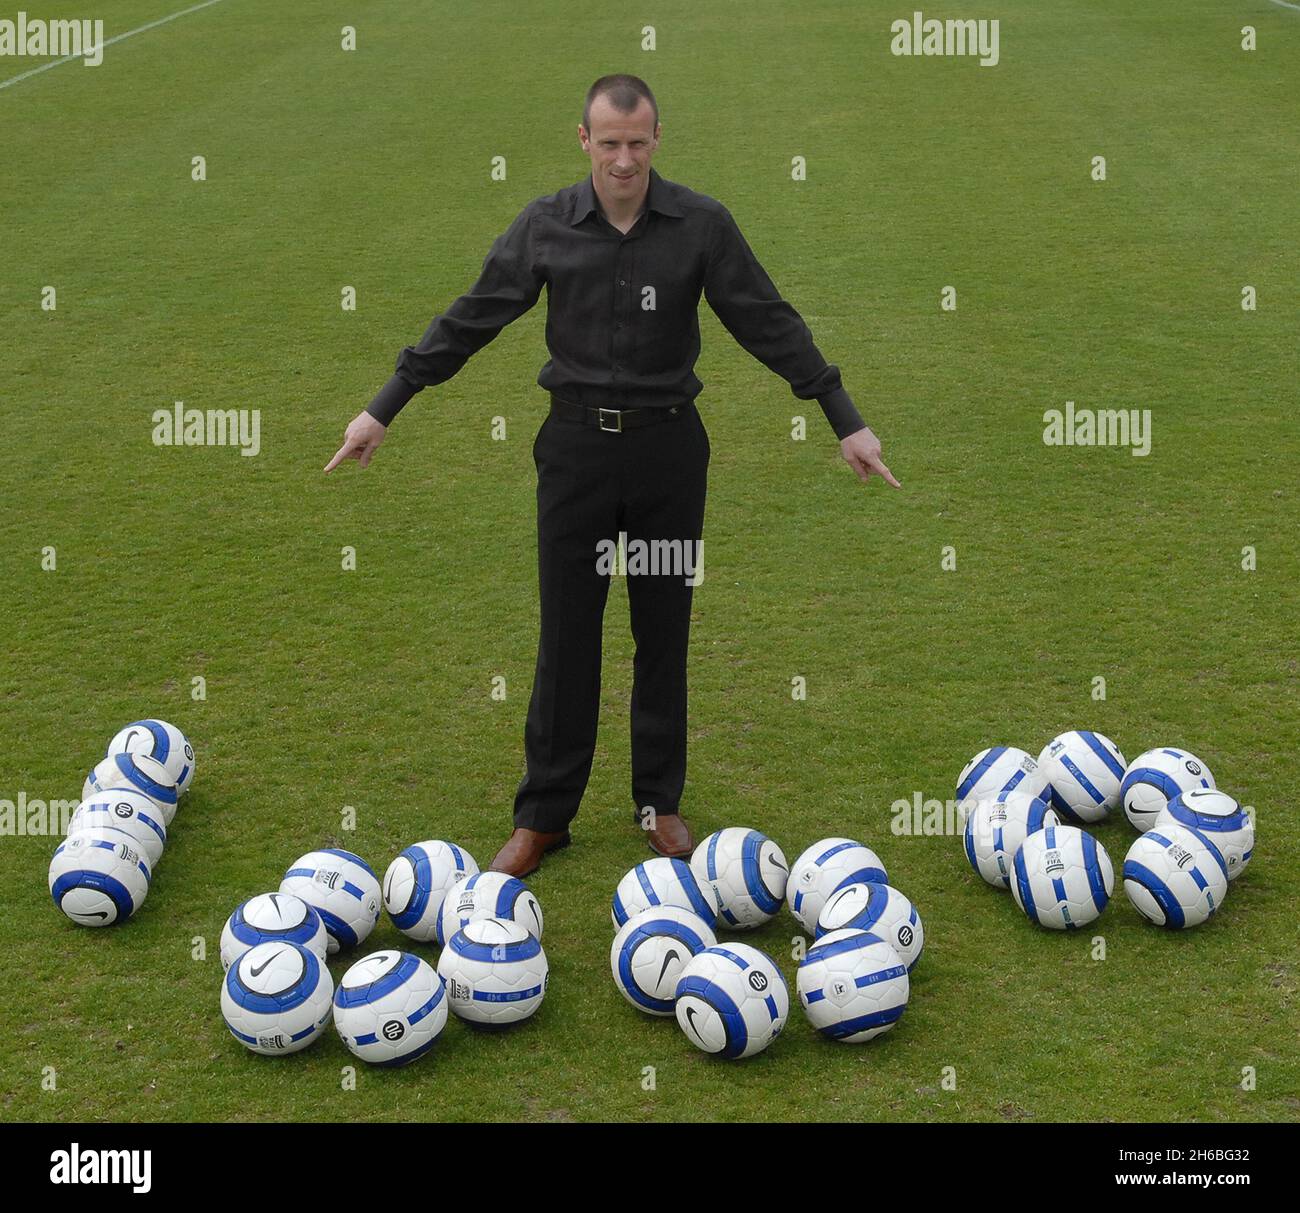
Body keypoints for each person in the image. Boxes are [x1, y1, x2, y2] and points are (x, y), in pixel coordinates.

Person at [325, 74, 899, 878]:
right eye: (609, 142)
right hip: (575, 458)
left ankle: (658, 803)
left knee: (663, 629)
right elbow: (474, 313)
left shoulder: (702, 226)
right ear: (584, 141)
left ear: (656, 139)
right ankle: (544, 816)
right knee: (567, 633)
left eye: (637, 142)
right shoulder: (547, 225)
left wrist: (844, 416)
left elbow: (767, 320)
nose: (623, 159)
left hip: (669, 456)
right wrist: (385, 405)